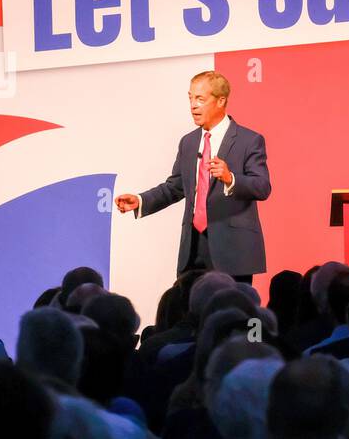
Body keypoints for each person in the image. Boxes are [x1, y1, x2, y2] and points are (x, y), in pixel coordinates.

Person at [115, 70, 270, 284]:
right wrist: (141, 200)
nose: (193, 105)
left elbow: (262, 187)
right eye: (190, 98)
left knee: (229, 315)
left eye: (200, 99)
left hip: (232, 252)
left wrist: (230, 178)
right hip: (192, 250)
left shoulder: (249, 140)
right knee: (189, 313)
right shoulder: (188, 142)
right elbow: (175, 187)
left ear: (220, 101)